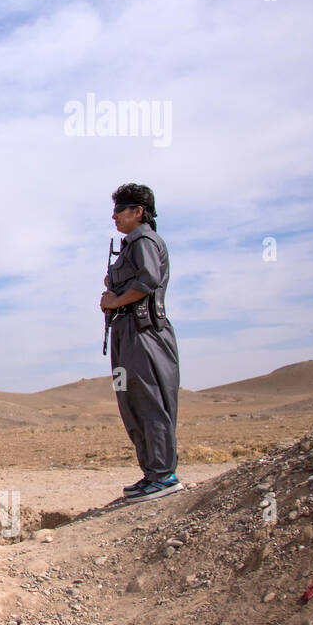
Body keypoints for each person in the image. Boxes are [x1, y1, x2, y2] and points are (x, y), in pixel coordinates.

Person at [100, 183, 182, 502]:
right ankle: (152, 473)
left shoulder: (144, 239)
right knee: (131, 402)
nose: (114, 216)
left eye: (120, 209)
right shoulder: (130, 244)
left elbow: (147, 282)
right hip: (127, 331)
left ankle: (164, 475)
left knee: (149, 401)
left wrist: (115, 299)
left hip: (144, 330)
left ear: (138, 211)